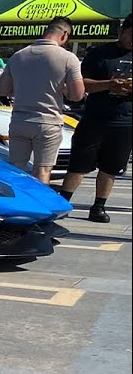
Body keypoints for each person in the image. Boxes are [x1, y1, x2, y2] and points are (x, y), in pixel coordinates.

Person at [57, 14, 133, 222]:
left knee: (112, 167)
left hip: (125, 121)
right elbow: (81, 84)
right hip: (95, 118)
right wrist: (109, 84)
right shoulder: (100, 54)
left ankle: (99, 206)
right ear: (122, 31)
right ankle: (62, 203)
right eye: (130, 34)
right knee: (79, 164)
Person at [0, 17, 85, 182]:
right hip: (48, 121)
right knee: (43, 170)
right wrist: (62, 88)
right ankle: (39, 206)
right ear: (64, 34)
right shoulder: (68, 58)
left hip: (20, 120)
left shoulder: (18, 56)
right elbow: (77, 95)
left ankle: (16, 204)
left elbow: (4, 90)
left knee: (16, 168)